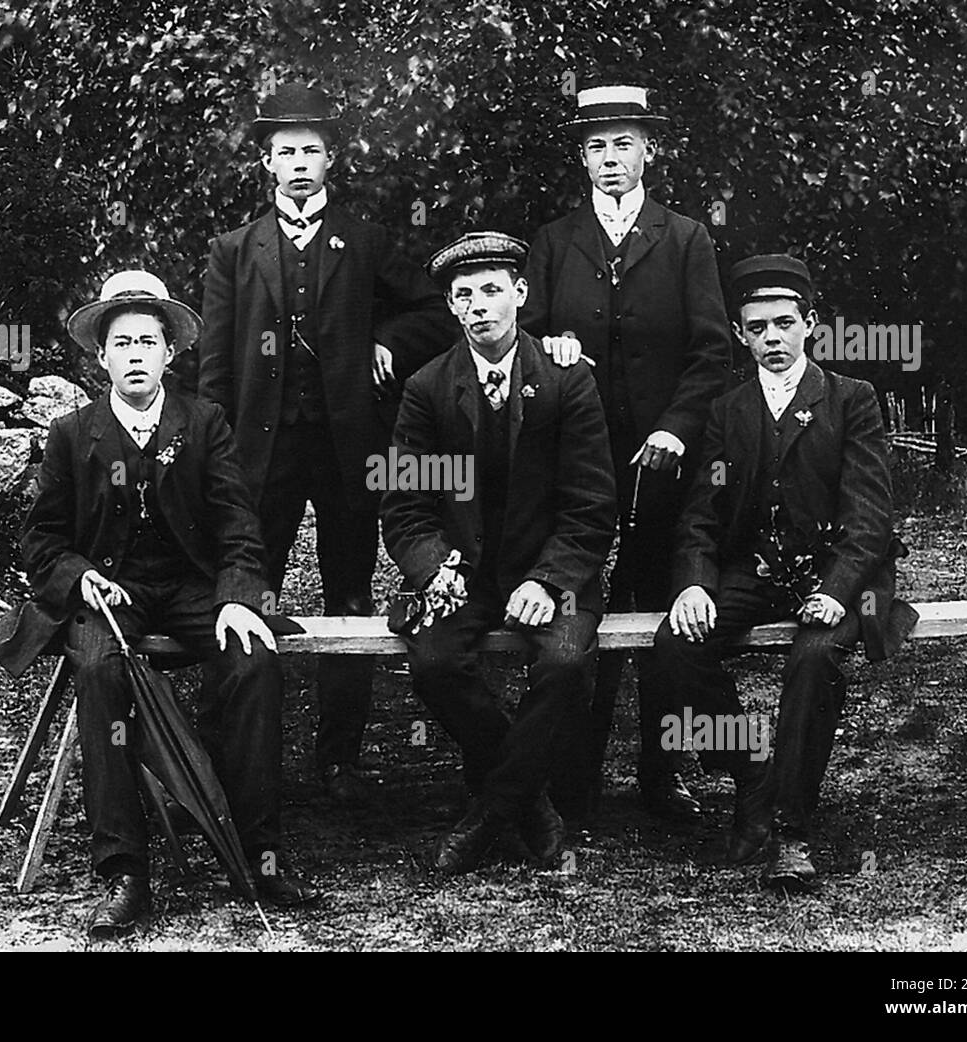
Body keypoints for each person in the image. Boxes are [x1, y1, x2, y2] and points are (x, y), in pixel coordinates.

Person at [0, 270, 316, 939]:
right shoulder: (71, 432)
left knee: (253, 660)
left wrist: (236, 600)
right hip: (112, 593)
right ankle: (124, 870)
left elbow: (237, 528)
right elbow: (41, 538)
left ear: (171, 353)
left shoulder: (204, 423)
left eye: (148, 341)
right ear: (101, 356)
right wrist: (79, 576)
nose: (136, 354)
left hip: (194, 588)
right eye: (122, 343)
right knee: (99, 669)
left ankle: (260, 853)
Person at [197, 83, 454, 801]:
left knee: (349, 593)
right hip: (263, 451)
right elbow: (216, 366)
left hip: (349, 449)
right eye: (287, 153)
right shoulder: (234, 250)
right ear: (267, 165)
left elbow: (434, 309)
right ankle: (247, 759)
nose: (300, 163)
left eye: (312, 150)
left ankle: (340, 760)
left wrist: (385, 341)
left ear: (331, 159)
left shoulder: (364, 241)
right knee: (249, 591)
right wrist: (217, 452)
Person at [654, 253, 917, 891]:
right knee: (674, 646)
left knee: (813, 658)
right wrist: (693, 580)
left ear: (810, 325)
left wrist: (836, 593)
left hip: (841, 574)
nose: (771, 339)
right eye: (756, 328)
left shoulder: (850, 399)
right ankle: (750, 768)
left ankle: (791, 829)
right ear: (741, 335)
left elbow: (869, 519)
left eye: (783, 323)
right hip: (761, 571)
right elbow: (701, 512)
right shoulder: (729, 408)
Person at [522, 83, 732, 822]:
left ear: (650, 150)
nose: (611, 159)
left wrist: (676, 426)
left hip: (661, 458)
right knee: (579, 605)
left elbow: (712, 351)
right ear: (582, 159)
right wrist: (548, 348)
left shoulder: (686, 239)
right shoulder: (554, 242)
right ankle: (575, 776)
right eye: (597, 147)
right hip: (576, 462)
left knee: (656, 604)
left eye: (624, 144)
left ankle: (660, 771)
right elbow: (531, 340)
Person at [381, 231, 616, 873]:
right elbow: (404, 503)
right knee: (433, 665)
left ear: (520, 294)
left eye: (491, 290)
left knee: (566, 665)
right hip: (469, 577)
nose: (479, 305)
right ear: (453, 310)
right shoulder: (428, 388)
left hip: (555, 573)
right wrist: (435, 566)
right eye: (464, 295)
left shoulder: (566, 381)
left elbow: (592, 504)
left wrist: (547, 580)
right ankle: (533, 802)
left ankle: (491, 810)